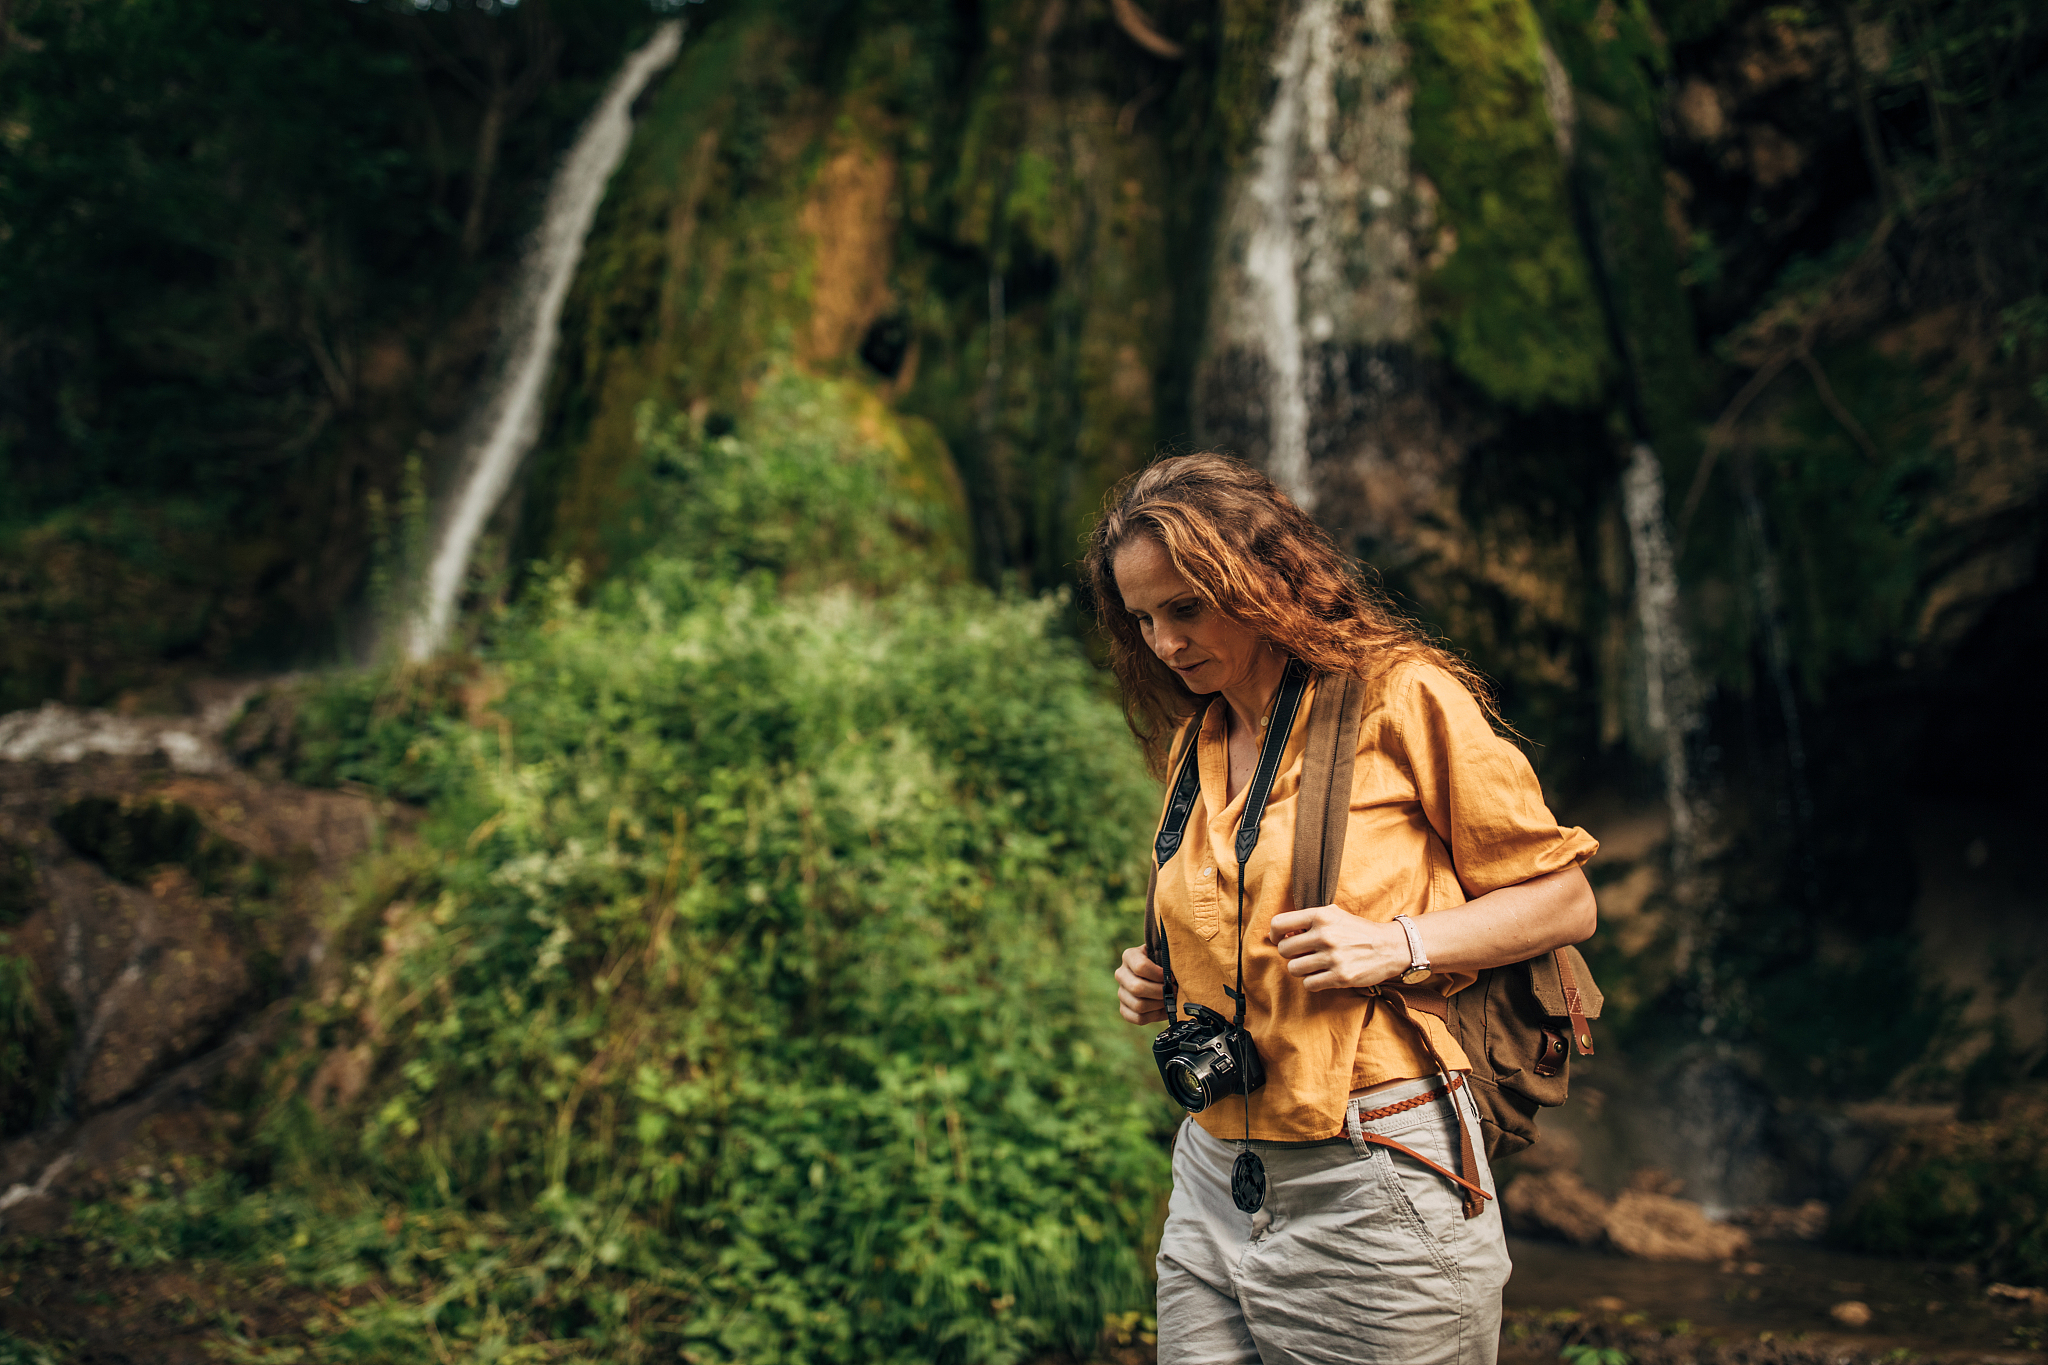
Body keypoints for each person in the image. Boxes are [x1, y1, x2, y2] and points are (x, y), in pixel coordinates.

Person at [1086, 455, 1599, 1365]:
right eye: (1144, 619)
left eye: (1186, 607)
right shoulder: (1200, 739)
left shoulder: (1401, 695)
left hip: (1374, 1169)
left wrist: (1399, 943)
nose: (1165, 642)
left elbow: (1566, 898)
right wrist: (1159, 973)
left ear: (1259, 577)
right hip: (1212, 1171)